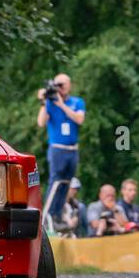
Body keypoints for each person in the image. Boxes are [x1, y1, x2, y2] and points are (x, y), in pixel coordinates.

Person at [37, 73, 86, 227]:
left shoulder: (77, 102)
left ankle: (58, 215)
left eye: (63, 84)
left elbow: (80, 119)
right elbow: (41, 122)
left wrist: (62, 105)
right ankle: (49, 215)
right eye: (58, 84)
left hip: (72, 150)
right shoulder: (50, 103)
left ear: (69, 85)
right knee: (55, 181)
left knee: (66, 183)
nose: (61, 87)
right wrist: (44, 102)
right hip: (58, 149)